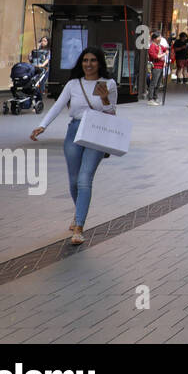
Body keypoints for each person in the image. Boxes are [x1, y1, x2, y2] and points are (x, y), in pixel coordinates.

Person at [29, 47, 118, 245]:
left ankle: (79, 226)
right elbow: (58, 106)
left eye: (93, 60)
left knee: (85, 179)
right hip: (75, 131)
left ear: (100, 63)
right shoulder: (73, 84)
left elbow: (111, 112)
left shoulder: (109, 83)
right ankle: (79, 211)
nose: (88, 64)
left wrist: (104, 98)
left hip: (97, 131)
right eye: (85, 60)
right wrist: (42, 126)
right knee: (73, 180)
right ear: (80, 63)